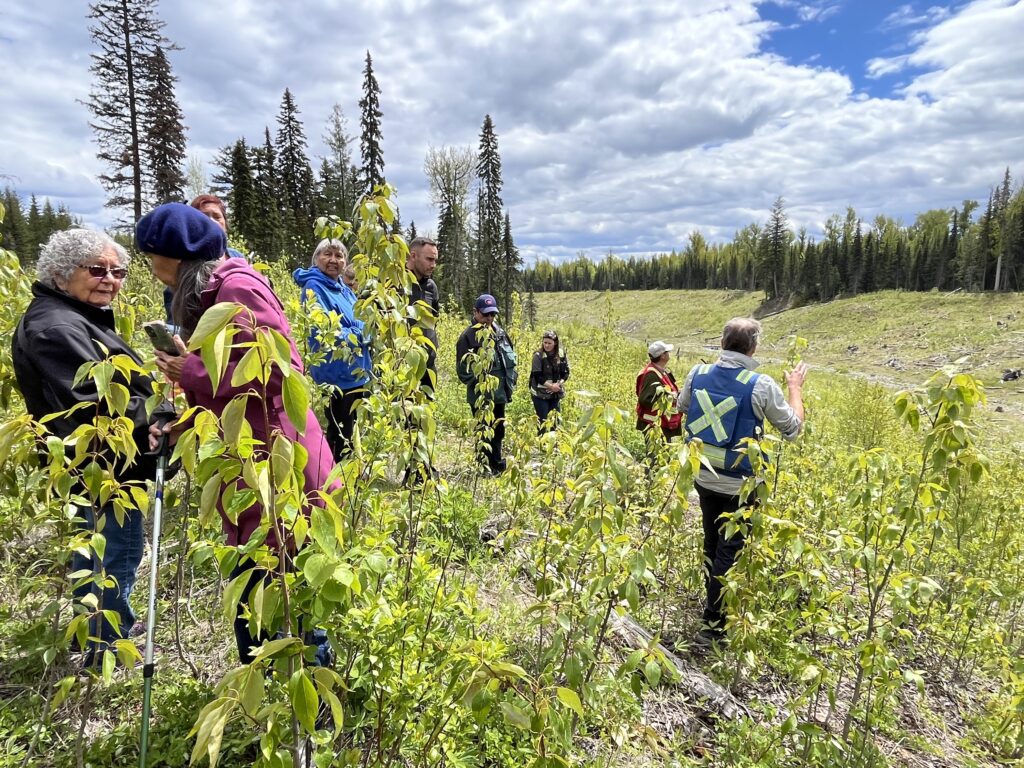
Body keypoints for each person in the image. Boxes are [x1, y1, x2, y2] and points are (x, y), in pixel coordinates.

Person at [137, 203, 336, 666]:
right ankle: (273, 692)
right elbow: (228, 382)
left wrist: (190, 369)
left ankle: (305, 702)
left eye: (152, 258)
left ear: (176, 255)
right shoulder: (208, 293)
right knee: (259, 578)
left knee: (279, 583)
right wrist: (186, 416)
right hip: (249, 461)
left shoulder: (237, 286)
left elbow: (276, 368)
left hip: (278, 463)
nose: (151, 271)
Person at [12, 228, 175, 665]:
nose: (111, 280)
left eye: (118, 271)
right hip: (98, 464)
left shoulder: (73, 316)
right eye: (98, 270)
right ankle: (104, 645)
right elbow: (88, 406)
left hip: (106, 461)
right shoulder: (54, 326)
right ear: (62, 273)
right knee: (111, 548)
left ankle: (110, 622)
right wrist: (154, 415)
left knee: (111, 545)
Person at [676, 317, 807, 649]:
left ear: (721, 343)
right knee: (728, 552)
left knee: (711, 544)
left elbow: (682, 407)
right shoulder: (761, 385)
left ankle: (712, 610)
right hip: (741, 485)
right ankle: (713, 625)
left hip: (704, 476)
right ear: (753, 347)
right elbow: (792, 429)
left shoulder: (697, 373)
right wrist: (795, 388)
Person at [293, 239, 372, 461]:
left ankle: (348, 475)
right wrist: (358, 332)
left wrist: (357, 330)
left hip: (356, 372)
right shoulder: (313, 287)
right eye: (328, 254)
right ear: (316, 259)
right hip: (335, 374)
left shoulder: (344, 290)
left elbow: (367, 324)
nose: (334, 260)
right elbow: (326, 330)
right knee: (339, 431)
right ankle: (335, 481)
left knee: (351, 427)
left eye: (339, 256)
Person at [456, 294, 517, 475]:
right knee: (483, 431)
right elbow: (463, 372)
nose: (489, 319)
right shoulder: (467, 337)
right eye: (485, 315)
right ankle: (484, 467)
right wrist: (482, 378)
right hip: (481, 396)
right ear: (475, 312)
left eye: (492, 315)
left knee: (498, 430)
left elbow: (510, 359)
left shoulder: (500, 332)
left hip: (499, 395)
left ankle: (496, 464)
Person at [163, 194, 246, 323]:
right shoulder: (182, 264)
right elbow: (176, 321)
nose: (211, 221)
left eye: (217, 216)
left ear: (225, 223)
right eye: (203, 217)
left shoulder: (235, 257)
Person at [405, 237, 440, 395]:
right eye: (429, 259)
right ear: (413, 256)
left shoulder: (431, 286)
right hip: (403, 367)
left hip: (428, 366)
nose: (433, 265)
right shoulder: (395, 283)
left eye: (435, 260)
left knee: (426, 415)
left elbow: (433, 320)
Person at [635, 340, 682, 441]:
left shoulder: (661, 370)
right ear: (662, 356)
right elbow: (645, 400)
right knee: (655, 455)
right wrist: (672, 398)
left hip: (663, 423)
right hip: (655, 424)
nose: (669, 354)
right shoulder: (651, 375)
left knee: (662, 454)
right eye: (667, 352)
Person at [529, 330, 569, 432]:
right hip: (540, 394)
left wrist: (558, 385)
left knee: (555, 423)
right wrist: (551, 386)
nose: (546, 345)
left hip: (555, 393)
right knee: (543, 423)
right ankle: (541, 446)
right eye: (545, 342)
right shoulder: (538, 356)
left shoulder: (561, 354)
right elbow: (537, 376)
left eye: (549, 343)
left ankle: (552, 446)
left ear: (555, 343)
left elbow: (566, 373)